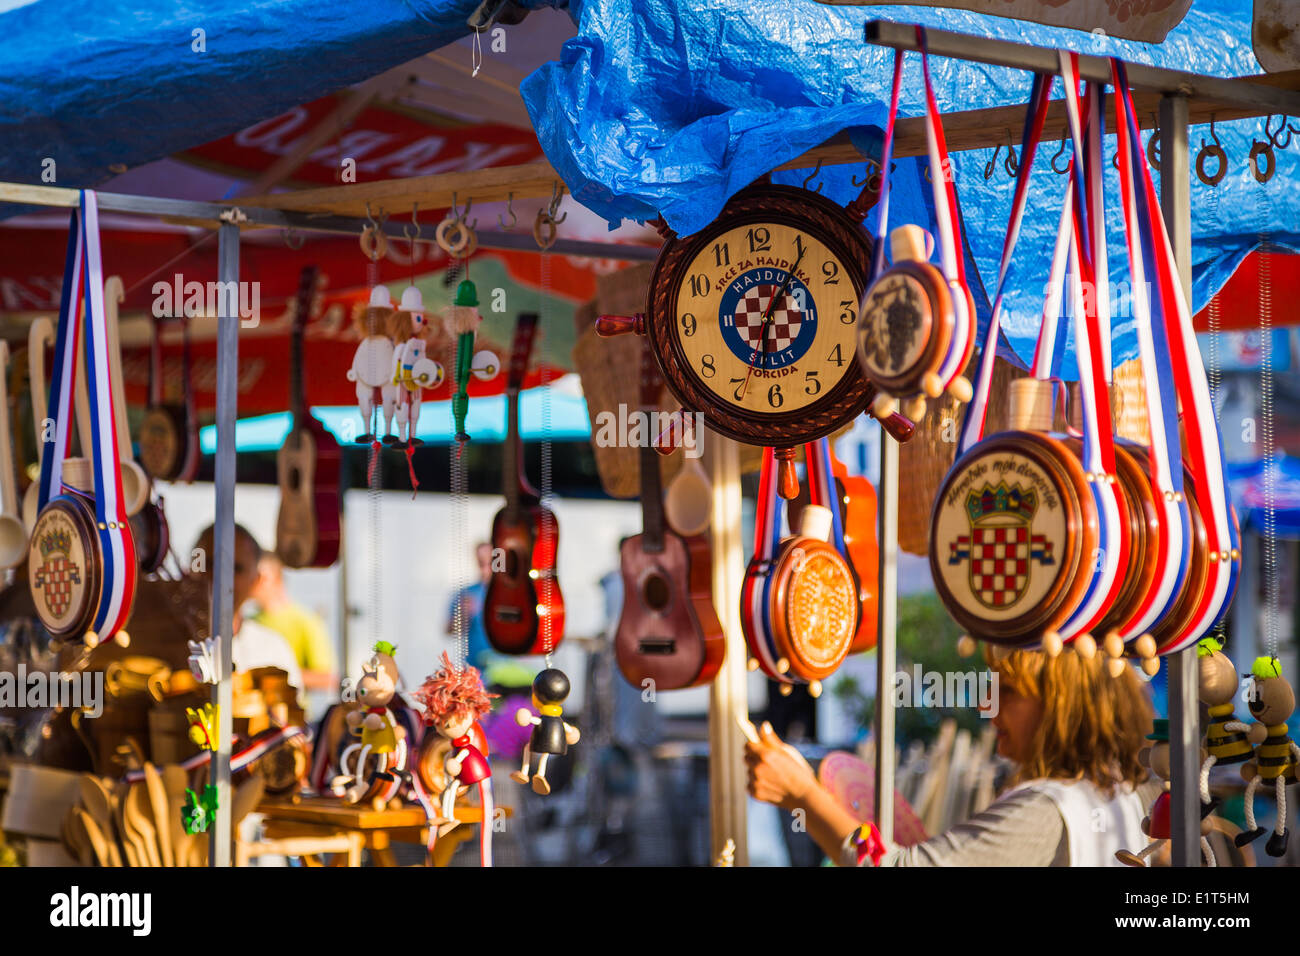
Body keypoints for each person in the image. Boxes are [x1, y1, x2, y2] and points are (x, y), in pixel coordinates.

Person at [746, 645, 1156, 866]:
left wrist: (803, 795)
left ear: (1059, 705)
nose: (988, 705)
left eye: (1007, 691)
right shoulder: (1121, 795)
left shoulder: (1045, 810)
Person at [194, 524, 302, 692]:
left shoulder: (273, 649)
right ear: (191, 569)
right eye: (209, 564)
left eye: (235, 568)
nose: (220, 577)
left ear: (256, 581)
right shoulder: (162, 640)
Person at [250, 553, 338, 693]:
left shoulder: (306, 621)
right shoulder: (248, 623)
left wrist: (279, 675)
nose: (249, 581)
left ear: (272, 577)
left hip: (290, 712)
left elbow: (328, 678)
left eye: (257, 576)